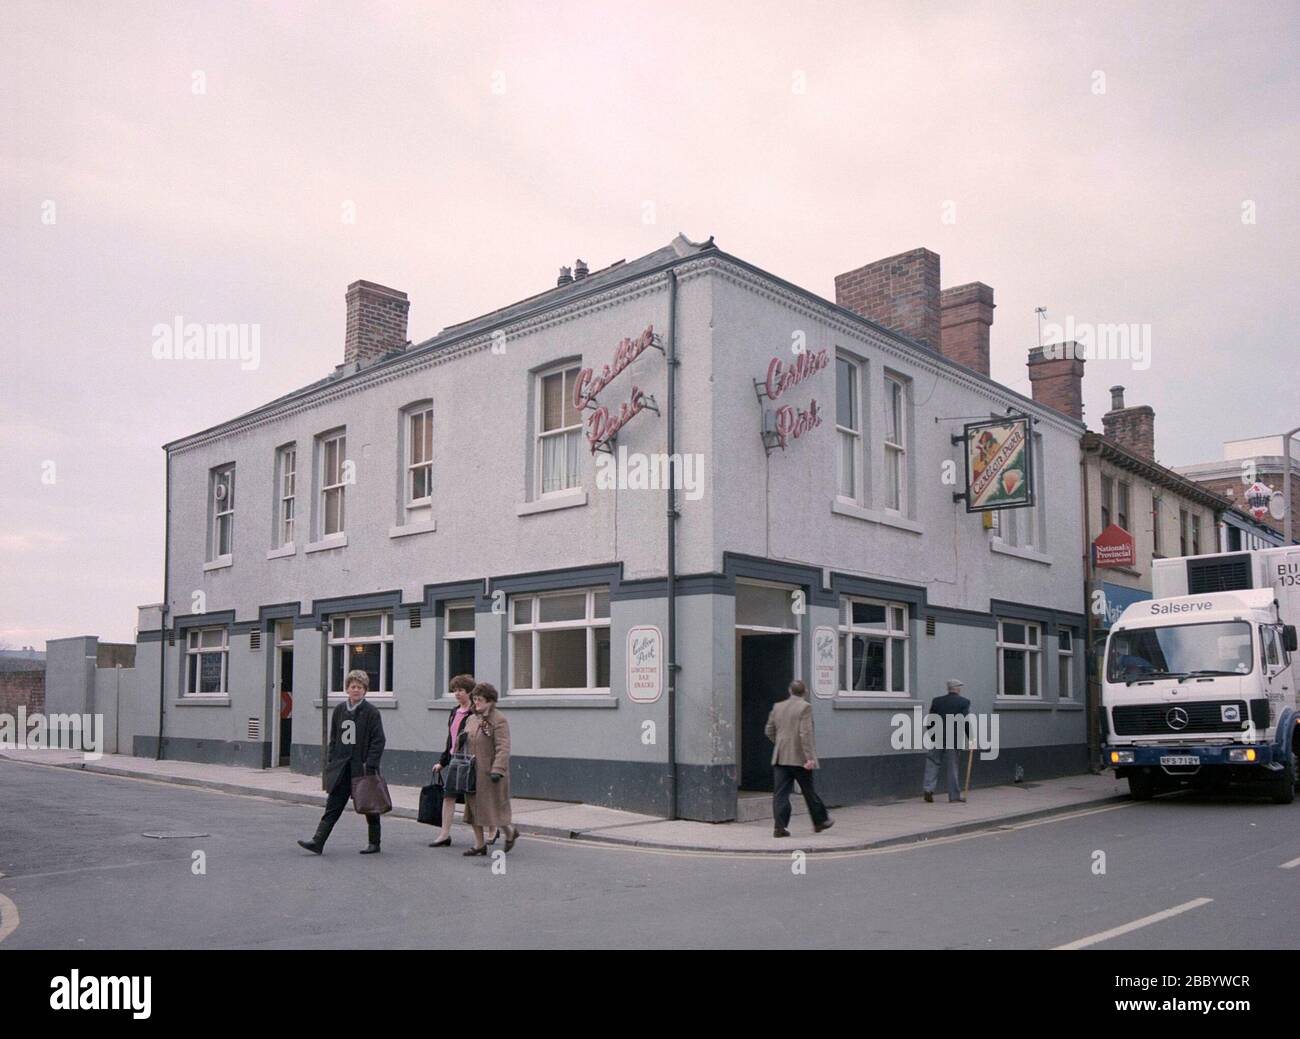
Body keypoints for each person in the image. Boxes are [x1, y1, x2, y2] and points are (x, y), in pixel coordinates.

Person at [298, 669, 386, 855]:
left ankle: (374, 843)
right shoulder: (339, 710)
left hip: (361, 767)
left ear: (365, 690)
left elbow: (378, 740)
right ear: (347, 689)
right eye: (353, 686)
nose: (356, 690)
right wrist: (332, 761)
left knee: (369, 804)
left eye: (360, 687)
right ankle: (318, 841)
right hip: (341, 767)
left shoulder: (371, 712)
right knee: (334, 804)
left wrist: (369, 764)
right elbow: (334, 738)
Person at [764, 679, 832, 837]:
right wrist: (809, 758)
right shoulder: (805, 707)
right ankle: (820, 821)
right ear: (805, 692)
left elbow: (769, 730)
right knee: (809, 791)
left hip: (780, 757)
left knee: (780, 794)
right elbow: (805, 734)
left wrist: (780, 743)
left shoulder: (777, 707)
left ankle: (779, 828)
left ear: (790, 691)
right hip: (800, 759)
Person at [461, 683, 519, 856]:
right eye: (475, 699)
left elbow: (503, 746)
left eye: (480, 700)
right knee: (472, 809)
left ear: (490, 701)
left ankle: (509, 832)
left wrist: (498, 769)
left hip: (491, 773)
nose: (476, 703)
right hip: (472, 772)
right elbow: (467, 739)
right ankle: (479, 845)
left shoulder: (498, 719)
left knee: (495, 810)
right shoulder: (472, 718)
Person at [428, 673, 476, 848]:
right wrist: (442, 762)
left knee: (474, 798)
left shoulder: (475, 713)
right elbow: (451, 738)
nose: (457, 693)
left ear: (470, 692)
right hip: (455, 759)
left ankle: (492, 830)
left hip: (469, 761)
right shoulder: (454, 712)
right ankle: (444, 834)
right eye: (455, 690)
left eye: (461, 690)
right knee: (448, 796)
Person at [923, 678, 971, 804]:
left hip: (938, 737)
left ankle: (928, 789)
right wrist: (971, 738)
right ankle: (954, 796)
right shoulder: (963, 702)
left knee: (932, 763)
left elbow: (930, 720)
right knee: (952, 767)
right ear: (956, 688)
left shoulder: (937, 701)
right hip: (954, 739)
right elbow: (965, 721)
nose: (960, 689)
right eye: (959, 687)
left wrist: (932, 735)